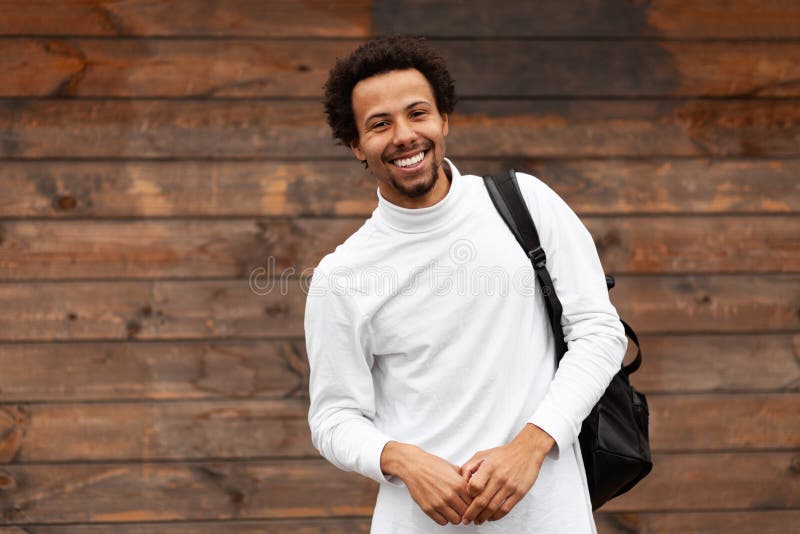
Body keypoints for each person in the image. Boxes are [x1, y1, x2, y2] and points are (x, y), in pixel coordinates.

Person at [304, 36, 627, 533]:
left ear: (444, 119)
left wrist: (532, 444)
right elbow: (333, 418)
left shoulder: (527, 206)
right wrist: (401, 459)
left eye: (418, 114)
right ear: (356, 146)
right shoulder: (342, 275)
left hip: (548, 518)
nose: (404, 136)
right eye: (379, 124)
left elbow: (599, 333)